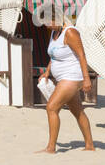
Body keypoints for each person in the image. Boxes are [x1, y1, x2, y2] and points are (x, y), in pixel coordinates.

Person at [38, 12, 95, 154]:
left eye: (49, 22)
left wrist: (86, 79)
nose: (47, 26)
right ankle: (90, 145)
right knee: (77, 111)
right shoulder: (54, 33)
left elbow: (82, 55)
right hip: (63, 78)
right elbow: (53, 55)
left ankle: (51, 148)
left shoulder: (70, 32)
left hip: (72, 77)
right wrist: (47, 71)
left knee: (51, 108)